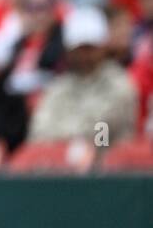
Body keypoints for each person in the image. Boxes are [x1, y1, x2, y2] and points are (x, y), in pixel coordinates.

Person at [29, 7, 138, 144]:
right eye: (78, 49)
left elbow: (101, 134)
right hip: (59, 161)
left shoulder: (119, 83)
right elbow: (39, 131)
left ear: (103, 47)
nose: (84, 55)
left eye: (89, 48)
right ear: (68, 51)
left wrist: (63, 139)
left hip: (111, 161)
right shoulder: (59, 86)